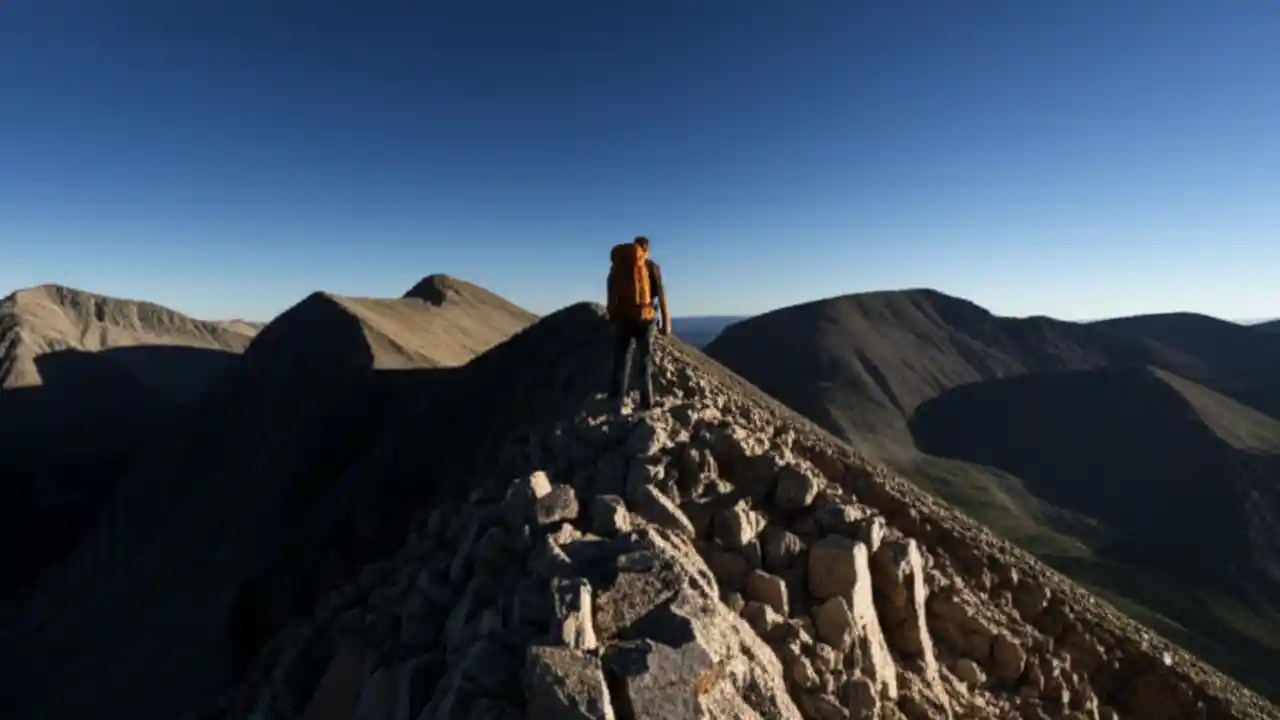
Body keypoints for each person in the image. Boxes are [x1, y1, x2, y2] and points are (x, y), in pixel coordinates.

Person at [606, 236, 670, 411]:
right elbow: (662, 295)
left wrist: (612, 315)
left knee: (621, 358)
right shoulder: (651, 266)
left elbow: (611, 291)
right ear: (646, 248)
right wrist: (666, 321)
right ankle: (645, 402)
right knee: (644, 360)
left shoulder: (619, 266)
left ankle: (616, 398)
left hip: (623, 318)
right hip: (646, 317)